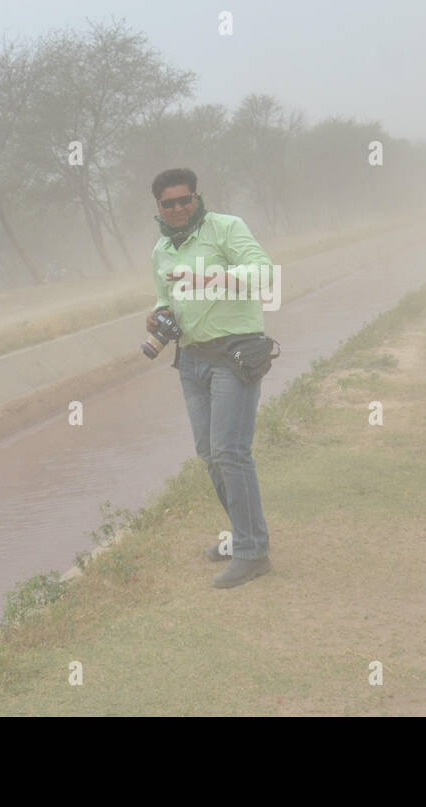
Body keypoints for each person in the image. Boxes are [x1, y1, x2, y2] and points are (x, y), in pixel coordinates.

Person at [147, 168, 274, 589]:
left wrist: (208, 279)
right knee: (209, 452)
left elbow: (264, 274)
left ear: (197, 198)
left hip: (233, 356)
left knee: (230, 452)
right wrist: (159, 313)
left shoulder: (226, 229)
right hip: (191, 361)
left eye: (186, 199)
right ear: (159, 208)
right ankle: (243, 537)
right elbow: (166, 297)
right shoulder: (161, 250)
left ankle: (252, 553)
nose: (180, 208)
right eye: (170, 203)